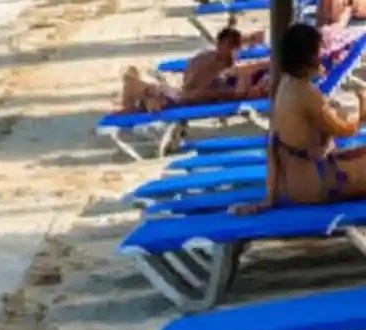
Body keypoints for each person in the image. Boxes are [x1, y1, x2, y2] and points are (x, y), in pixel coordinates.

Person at [239, 24, 366, 210]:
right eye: (319, 50)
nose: (322, 55)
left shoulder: (285, 84)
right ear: (309, 57)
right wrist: (362, 112)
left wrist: (270, 196)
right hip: (314, 184)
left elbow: (273, 142)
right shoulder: (307, 94)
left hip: (290, 183)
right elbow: (346, 130)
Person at [120, 27, 267, 112]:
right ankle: (136, 100)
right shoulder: (220, 63)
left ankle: (136, 101)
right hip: (187, 95)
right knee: (137, 79)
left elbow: (237, 83)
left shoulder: (221, 64)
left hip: (186, 96)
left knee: (140, 83)